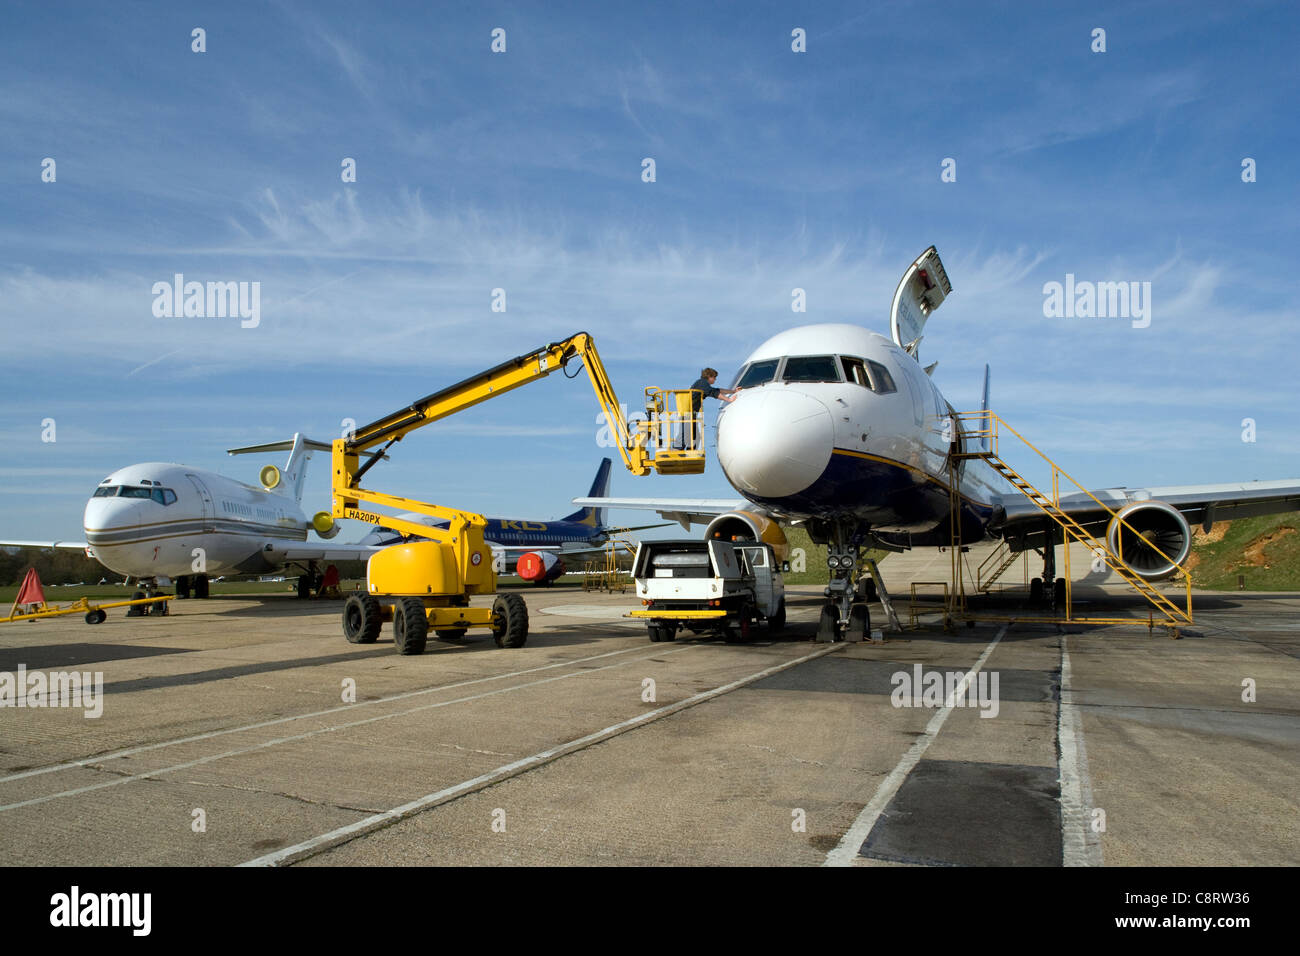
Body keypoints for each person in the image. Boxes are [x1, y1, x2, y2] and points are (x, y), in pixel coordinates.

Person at [681, 367, 738, 448]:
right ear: (709, 376)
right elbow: (713, 392)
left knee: (693, 434)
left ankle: (689, 450)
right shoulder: (703, 383)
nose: (715, 380)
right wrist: (729, 400)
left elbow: (717, 390)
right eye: (714, 378)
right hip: (689, 413)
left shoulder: (702, 383)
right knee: (687, 434)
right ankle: (679, 449)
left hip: (690, 412)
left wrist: (733, 391)